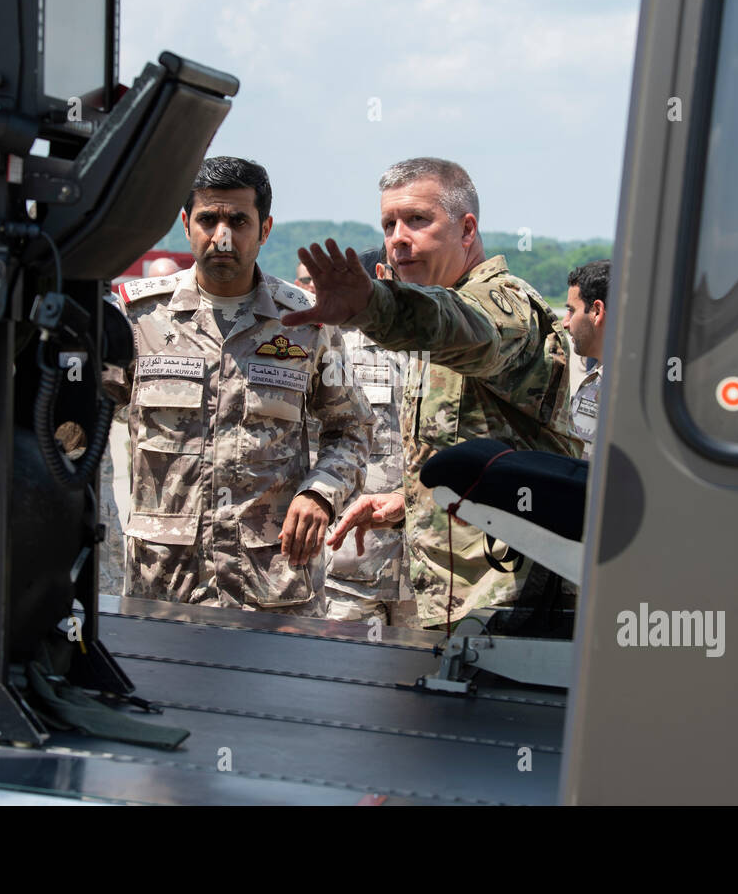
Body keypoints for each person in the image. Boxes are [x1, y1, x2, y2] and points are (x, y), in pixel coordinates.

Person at [289, 157, 580, 629]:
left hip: (510, 603)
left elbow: (469, 330)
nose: (399, 237)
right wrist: (409, 502)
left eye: (418, 220)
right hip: (456, 605)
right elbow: (487, 453)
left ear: (467, 230)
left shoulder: (504, 303)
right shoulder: (430, 320)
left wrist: (373, 304)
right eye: (389, 224)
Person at [111, 157, 372, 615]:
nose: (222, 236)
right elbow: (79, 431)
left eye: (238, 221)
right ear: (185, 224)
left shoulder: (305, 323)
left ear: (265, 228)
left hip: (273, 588)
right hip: (164, 585)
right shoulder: (138, 320)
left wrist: (320, 494)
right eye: (208, 219)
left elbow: (351, 429)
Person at [323, 248, 415, 626]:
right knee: (343, 679)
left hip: (423, 577)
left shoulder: (446, 350)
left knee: (419, 678)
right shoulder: (337, 350)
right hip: (352, 570)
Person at [563, 260, 610, 459]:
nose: (565, 323)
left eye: (572, 310)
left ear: (597, 312)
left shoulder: (624, 388)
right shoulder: (599, 373)